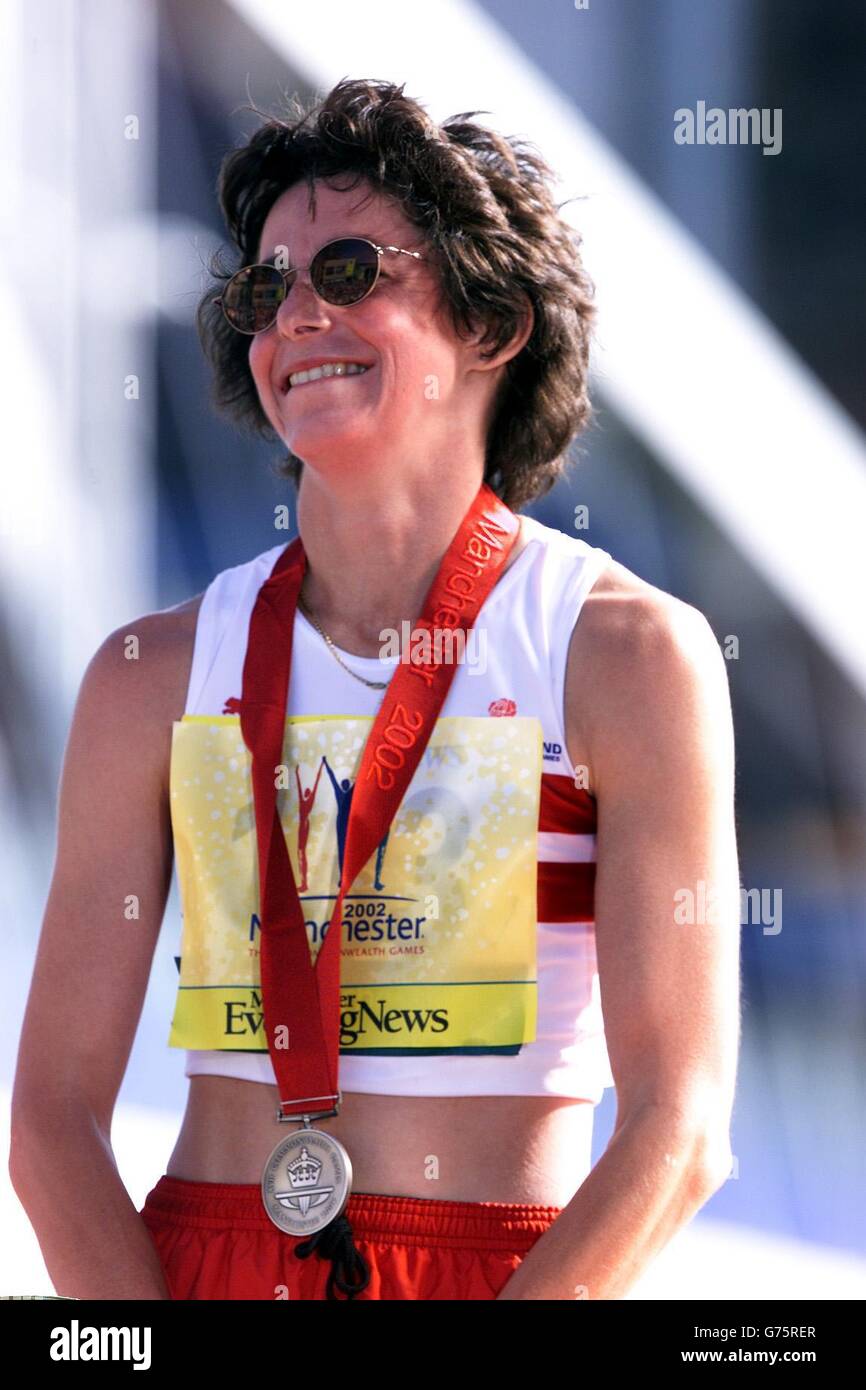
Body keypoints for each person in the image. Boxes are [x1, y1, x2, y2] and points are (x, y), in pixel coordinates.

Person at [9, 77, 741, 1301]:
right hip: (198, 1271)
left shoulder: (621, 654)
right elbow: (48, 1121)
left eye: (348, 272)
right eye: (263, 288)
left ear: (492, 323)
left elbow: (682, 1128)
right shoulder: (150, 677)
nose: (295, 312)